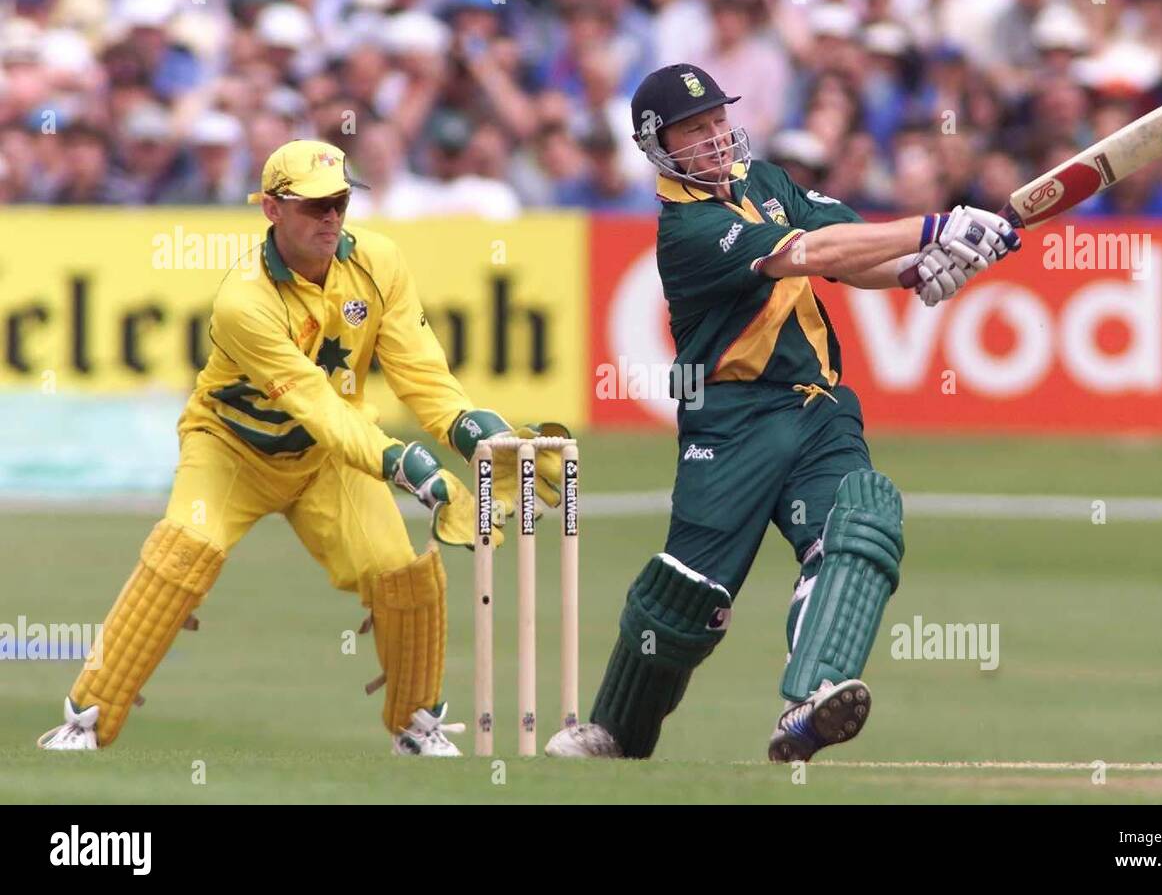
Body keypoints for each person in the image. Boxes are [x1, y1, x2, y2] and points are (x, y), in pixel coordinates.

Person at [545, 64, 1019, 762]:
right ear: (656, 145)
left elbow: (849, 254)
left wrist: (922, 265)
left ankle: (812, 702)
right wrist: (937, 225)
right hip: (732, 418)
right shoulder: (688, 228)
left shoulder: (764, 182)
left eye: (716, 122)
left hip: (820, 409)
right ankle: (614, 732)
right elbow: (809, 252)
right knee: (688, 596)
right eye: (693, 130)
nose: (712, 138)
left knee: (860, 523)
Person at [38, 140, 567, 757]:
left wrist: (482, 437)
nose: (331, 218)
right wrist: (411, 468)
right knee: (184, 551)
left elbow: (423, 375)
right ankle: (88, 717)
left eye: (340, 201)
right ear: (271, 209)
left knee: (400, 572)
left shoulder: (380, 261)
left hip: (327, 463)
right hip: (231, 448)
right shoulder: (245, 301)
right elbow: (315, 405)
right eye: (315, 206)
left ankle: (416, 726)